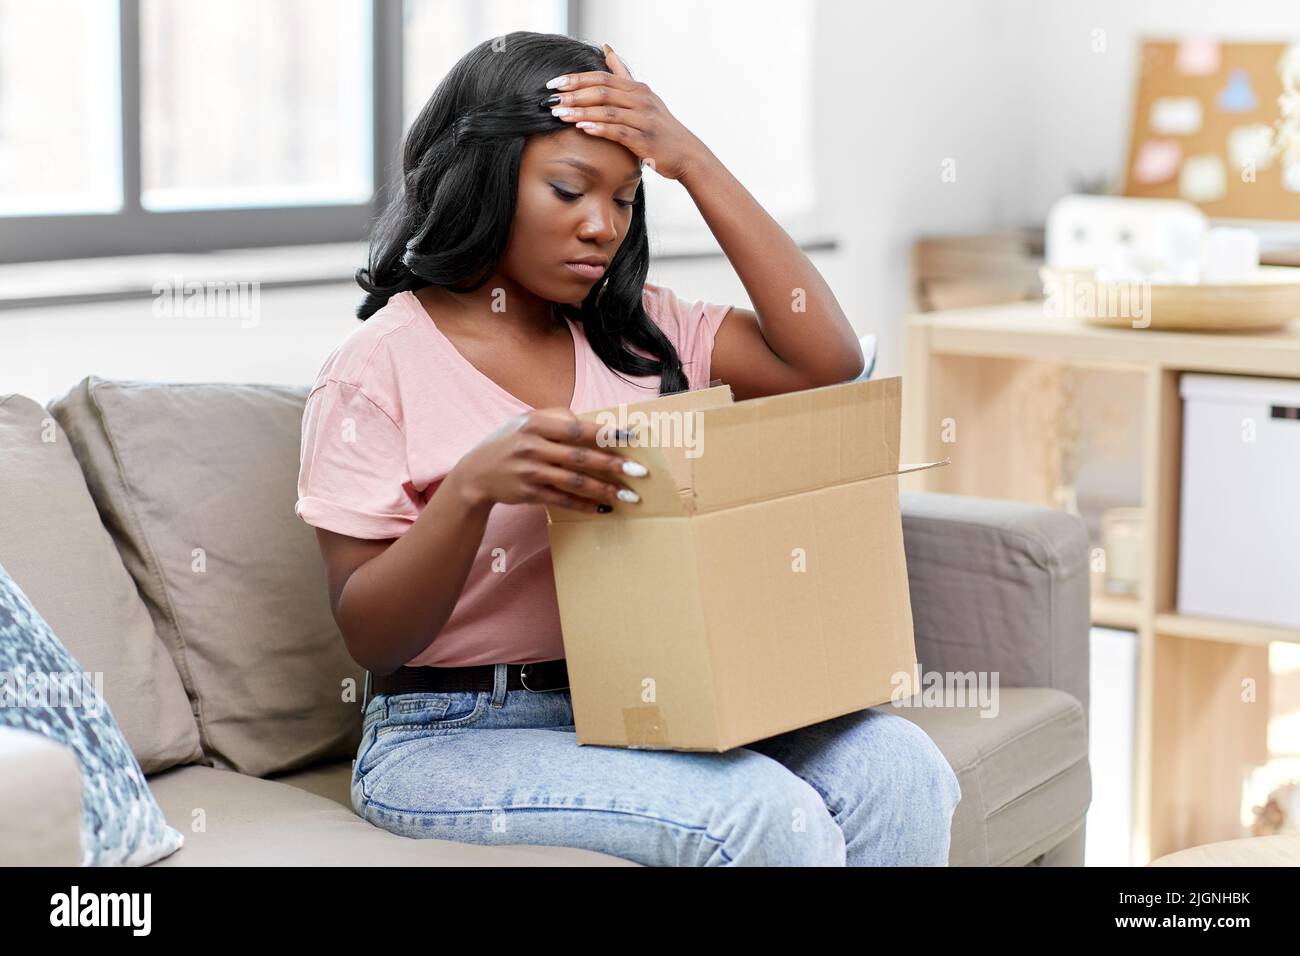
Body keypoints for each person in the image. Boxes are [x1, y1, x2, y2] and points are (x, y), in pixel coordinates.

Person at [295, 31, 960, 866]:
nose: (602, 226)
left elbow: (823, 364)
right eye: (570, 189)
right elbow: (372, 636)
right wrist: (474, 489)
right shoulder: (374, 369)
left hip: (639, 696)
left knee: (903, 770)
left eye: (625, 198)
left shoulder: (637, 329)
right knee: (761, 815)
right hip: (445, 733)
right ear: (484, 179)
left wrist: (693, 160)